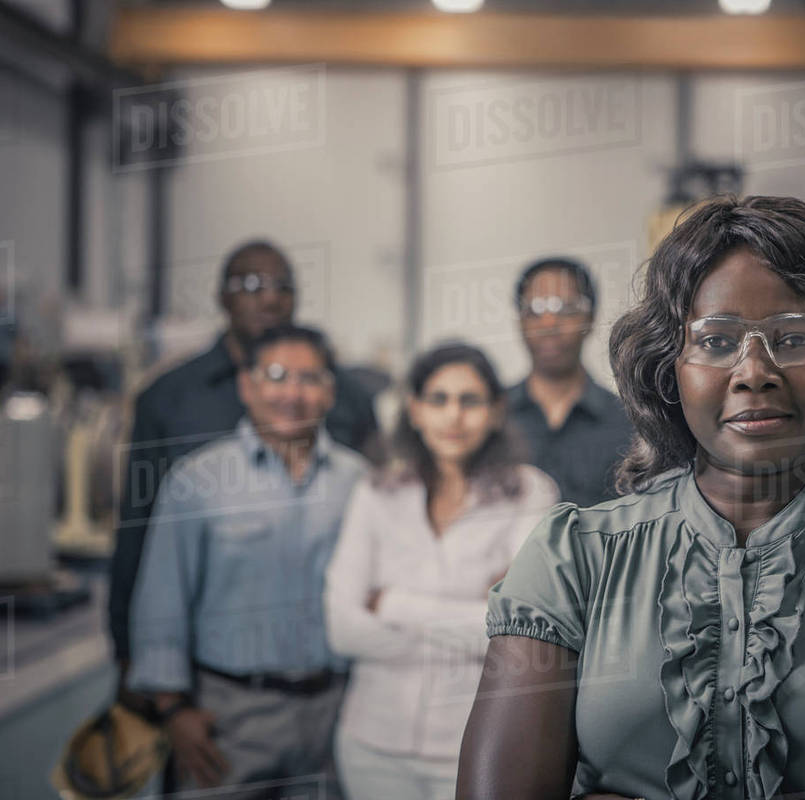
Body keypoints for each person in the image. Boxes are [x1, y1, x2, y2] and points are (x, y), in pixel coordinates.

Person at [458, 196, 805, 800]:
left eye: (796, 337)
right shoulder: (572, 558)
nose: (754, 372)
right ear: (671, 369)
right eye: (717, 342)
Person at [109, 239, 380, 670]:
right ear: (222, 297)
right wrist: (131, 653)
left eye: (281, 285)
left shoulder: (349, 397)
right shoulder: (168, 398)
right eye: (251, 284)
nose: (269, 297)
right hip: (219, 659)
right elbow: (139, 530)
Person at [127, 325, 365, 798]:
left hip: (336, 714)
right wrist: (173, 711)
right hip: (228, 716)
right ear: (247, 386)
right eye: (276, 376)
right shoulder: (199, 480)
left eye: (309, 378)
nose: (292, 393)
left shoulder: (360, 482)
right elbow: (162, 600)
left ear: (329, 391)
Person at [325, 342, 558, 800]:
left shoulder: (530, 494)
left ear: (495, 412)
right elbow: (342, 629)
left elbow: (516, 631)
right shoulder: (375, 492)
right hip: (371, 743)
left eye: (469, 401)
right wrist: (473, 615)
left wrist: (391, 602)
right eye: (438, 399)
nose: (453, 416)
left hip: (475, 744)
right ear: (414, 410)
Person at [507, 257, 633, 507]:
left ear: (591, 318)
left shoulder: (629, 424)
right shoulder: (490, 417)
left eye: (566, 308)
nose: (549, 323)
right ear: (520, 320)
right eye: (535, 309)